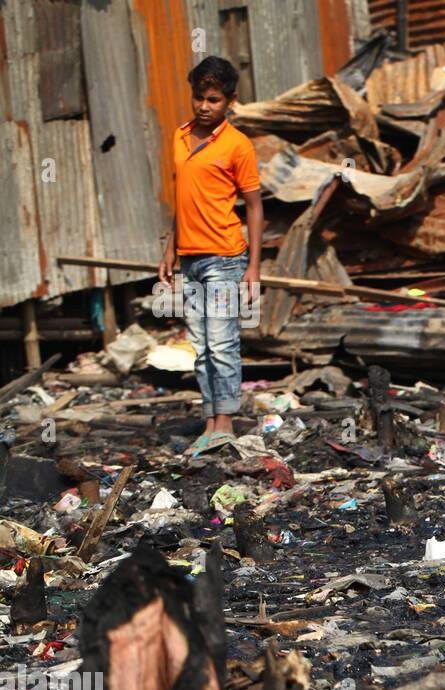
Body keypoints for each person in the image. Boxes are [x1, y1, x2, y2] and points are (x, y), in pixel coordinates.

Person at [157, 56, 263, 457]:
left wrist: (254, 267)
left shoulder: (238, 145)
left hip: (225, 257)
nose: (204, 106)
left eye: (213, 99)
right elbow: (179, 200)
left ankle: (226, 424)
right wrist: (170, 248)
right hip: (191, 258)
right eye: (199, 97)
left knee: (222, 343)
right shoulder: (180, 136)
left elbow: (254, 205)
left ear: (230, 100)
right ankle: (209, 422)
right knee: (200, 346)